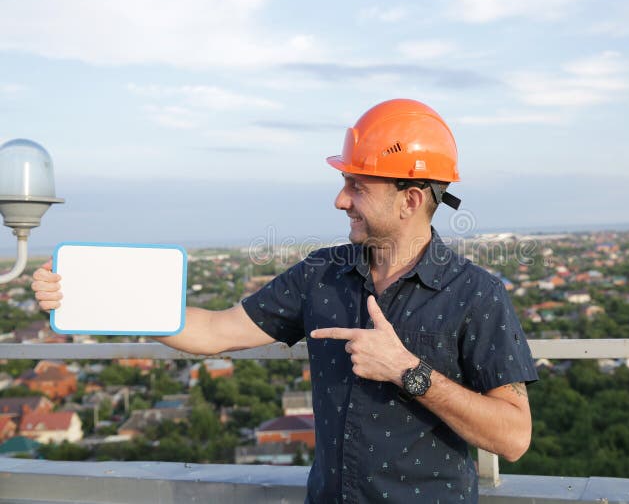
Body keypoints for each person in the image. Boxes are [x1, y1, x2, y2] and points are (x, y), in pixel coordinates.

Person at [32, 98, 538, 503]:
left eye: (355, 186)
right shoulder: (323, 275)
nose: (340, 200)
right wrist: (89, 293)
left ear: (409, 199)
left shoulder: (475, 293)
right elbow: (213, 333)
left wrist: (409, 370)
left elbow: (513, 436)